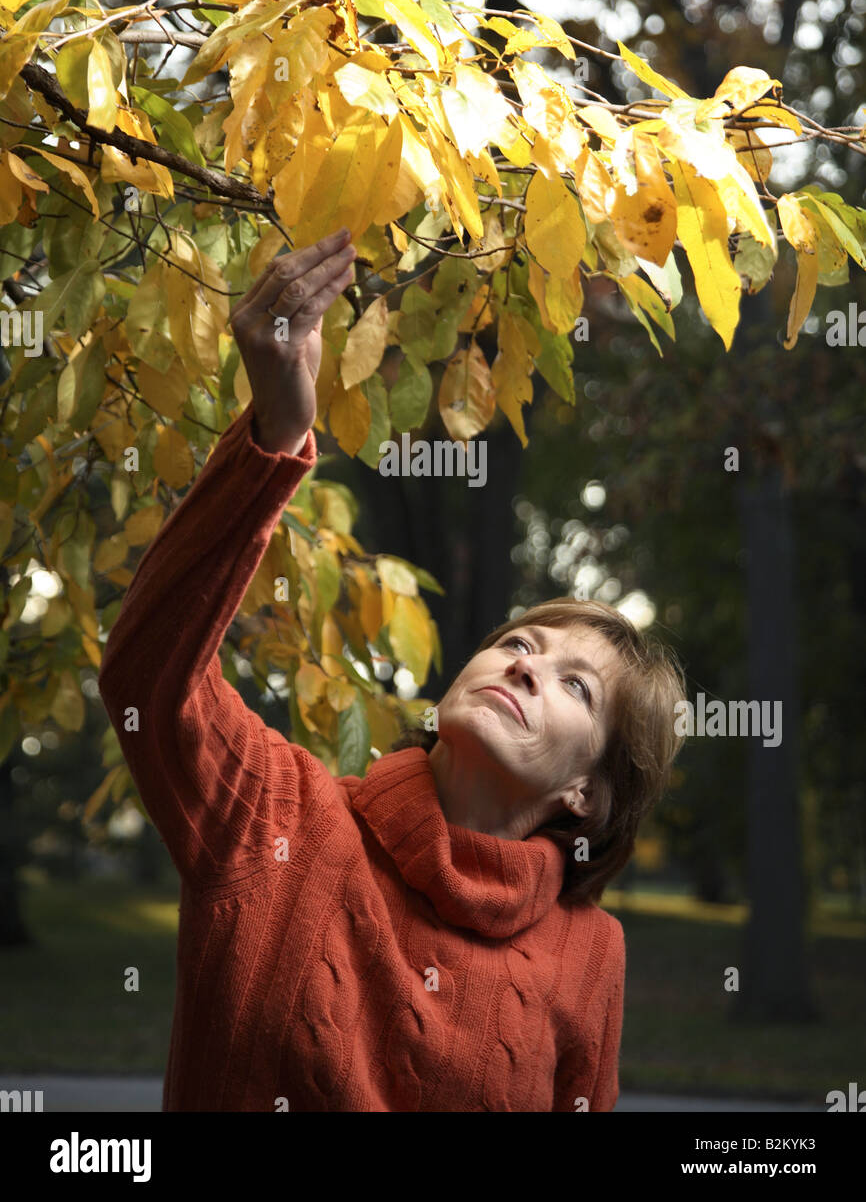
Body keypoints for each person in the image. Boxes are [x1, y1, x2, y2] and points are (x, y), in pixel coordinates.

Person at [98, 227, 688, 1112]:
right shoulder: (280, 816)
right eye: (519, 645)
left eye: (576, 685)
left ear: (587, 795)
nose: (526, 668)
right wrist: (275, 435)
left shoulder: (588, 953)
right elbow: (149, 679)